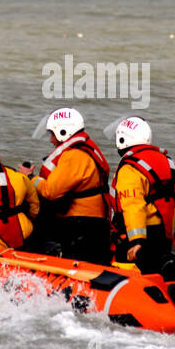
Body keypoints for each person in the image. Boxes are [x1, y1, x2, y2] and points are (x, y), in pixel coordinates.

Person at [109, 116, 175, 272]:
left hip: (141, 240)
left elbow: (133, 206)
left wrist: (136, 241)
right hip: (168, 238)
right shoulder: (173, 165)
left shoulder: (130, 169)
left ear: (123, 139)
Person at [27, 108, 113, 263]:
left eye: (52, 134)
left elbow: (50, 191)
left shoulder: (74, 155)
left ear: (63, 132)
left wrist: (30, 178)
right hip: (91, 222)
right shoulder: (83, 150)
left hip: (81, 224)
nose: (51, 140)